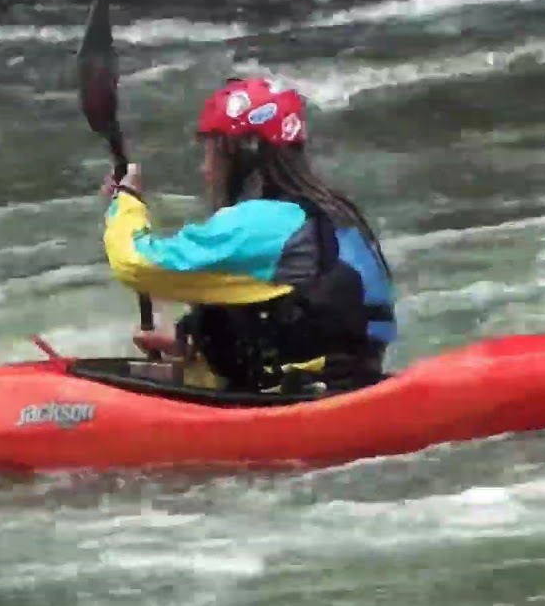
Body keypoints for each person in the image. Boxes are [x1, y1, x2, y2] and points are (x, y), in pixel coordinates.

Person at [99, 77, 397, 394]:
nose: (205, 170)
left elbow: (135, 262)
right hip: (345, 380)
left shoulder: (262, 223)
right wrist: (191, 344)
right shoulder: (332, 211)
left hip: (299, 399)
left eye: (212, 154)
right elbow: (291, 316)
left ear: (242, 154)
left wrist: (126, 200)